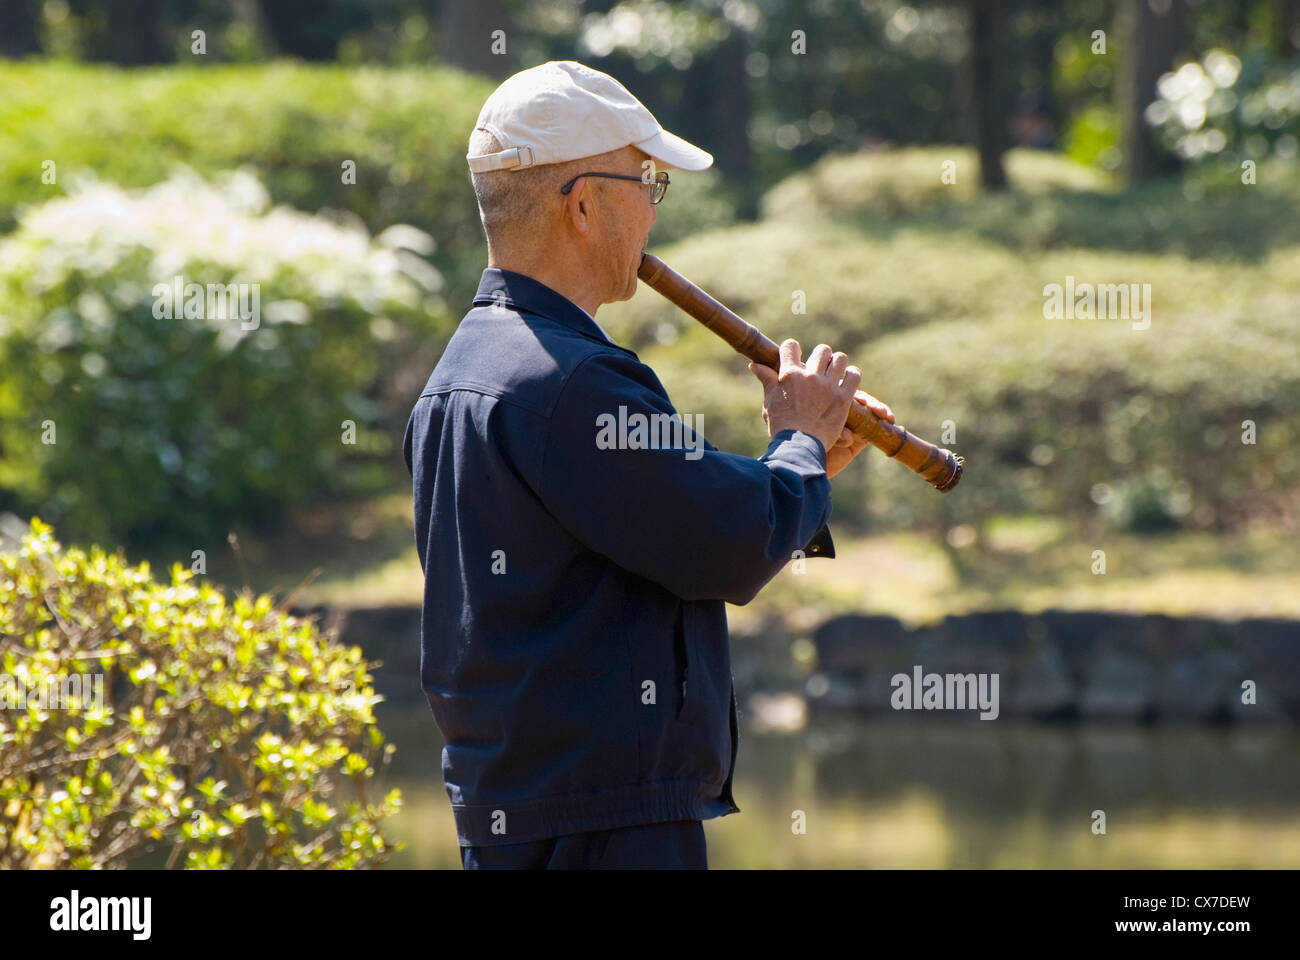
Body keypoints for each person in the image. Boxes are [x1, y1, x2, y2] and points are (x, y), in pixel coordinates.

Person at [402, 60, 894, 869]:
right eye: (648, 182)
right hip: (602, 823)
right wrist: (799, 440)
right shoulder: (578, 381)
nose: (654, 214)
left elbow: (661, 515)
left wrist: (800, 466)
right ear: (585, 204)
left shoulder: (465, 372)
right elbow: (724, 540)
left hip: (515, 811)